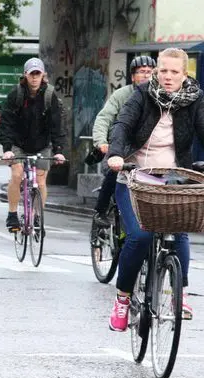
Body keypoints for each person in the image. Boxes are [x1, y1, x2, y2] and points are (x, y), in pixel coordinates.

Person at [107, 48, 204, 331]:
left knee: (179, 231)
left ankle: (180, 294)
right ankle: (123, 299)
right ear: (157, 71)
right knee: (139, 236)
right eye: (163, 70)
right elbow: (122, 125)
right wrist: (116, 154)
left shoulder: (195, 100)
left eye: (174, 71)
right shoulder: (141, 95)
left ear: (184, 74)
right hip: (136, 179)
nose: (167, 76)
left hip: (174, 179)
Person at [0, 57, 66, 231]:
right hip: (18, 143)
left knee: (41, 180)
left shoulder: (49, 95)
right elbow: (6, 123)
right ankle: (12, 215)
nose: (35, 78)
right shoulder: (16, 94)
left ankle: (37, 217)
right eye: (31, 74)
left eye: (38, 74)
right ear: (25, 75)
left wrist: (58, 150)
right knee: (17, 173)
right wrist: (7, 149)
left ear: (43, 74)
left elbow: (56, 124)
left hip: (42, 144)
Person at [91, 56, 156, 227]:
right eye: (142, 72)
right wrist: (101, 142)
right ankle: (101, 211)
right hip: (120, 147)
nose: (146, 76)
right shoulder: (121, 95)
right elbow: (104, 118)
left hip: (147, 151)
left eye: (150, 72)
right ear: (133, 76)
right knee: (115, 173)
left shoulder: (159, 95)